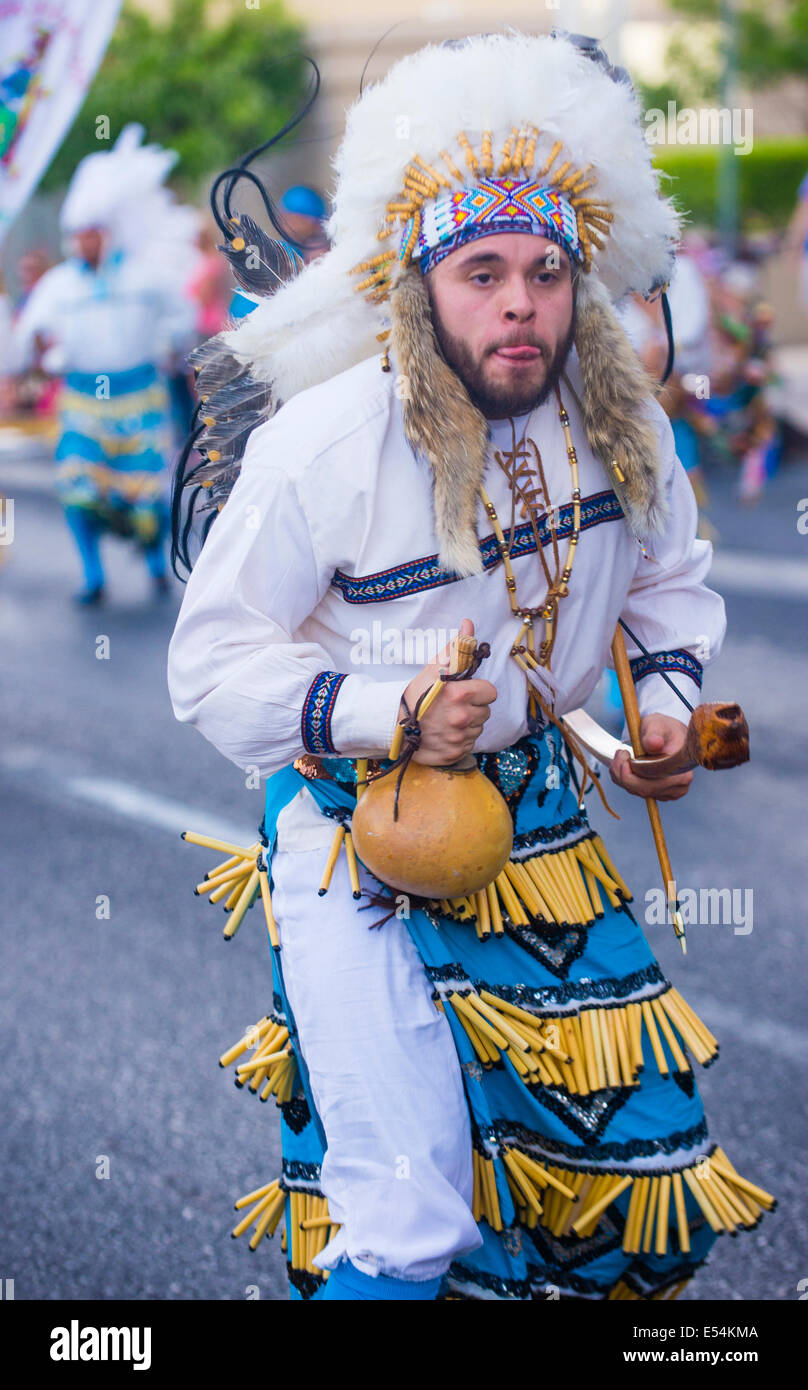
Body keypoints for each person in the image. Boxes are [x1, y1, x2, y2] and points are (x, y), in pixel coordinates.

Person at [167, 32, 775, 1301]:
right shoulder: (325, 448)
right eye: (482, 271)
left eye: (546, 272)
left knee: (628, 1190)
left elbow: (668, 584)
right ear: (418, 287)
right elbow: (212, 666)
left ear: (577, 279)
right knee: (408, 1211)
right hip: (356, 832)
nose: (518, 303)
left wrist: (659, 713)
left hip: (542, 820)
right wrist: (393, 713)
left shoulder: (625, 422)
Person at [13, 125, 196, 603]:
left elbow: (184, 319)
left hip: (141, 397)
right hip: (81, 402)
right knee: (77, 488)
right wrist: (41, 351)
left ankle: (156, 562)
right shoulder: (58, 286)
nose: (83, 240)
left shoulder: (145, 277)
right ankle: (92, 575)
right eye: (77, 233)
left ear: (108, 231)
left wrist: (166, 346)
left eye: (91, 231)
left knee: (146, 501)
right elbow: (27, 339)